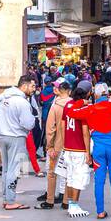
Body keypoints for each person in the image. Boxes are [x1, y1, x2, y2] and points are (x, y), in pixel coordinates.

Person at [0, 73, 39, 210]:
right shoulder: (22, 102)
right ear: (24, 85)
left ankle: (6, 198)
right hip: (16, 137)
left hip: (1, 136)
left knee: (6, 170)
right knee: (14, 170)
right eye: (32, 86)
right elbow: (28, 124)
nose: (33, 89)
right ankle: (11, 201)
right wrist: (33, 119)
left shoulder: (2, 98)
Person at [58, 84, 94, 217]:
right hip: (79, 148)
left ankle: (71, 204)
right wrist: (87, 152)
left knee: (71, 176)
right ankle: (74, 205)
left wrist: (64, 142)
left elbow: (62, 125)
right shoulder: (83, 108)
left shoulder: (67, 106)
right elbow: (85, 132)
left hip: (68, 147)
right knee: (80, 176)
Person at [38, 79, 72, 207]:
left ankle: (50, 200)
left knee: (52, 172)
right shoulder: (73, 104)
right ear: (69, 91)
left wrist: (49, 146)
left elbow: (50, 128)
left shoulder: (56, 106)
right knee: (68, 172)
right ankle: (66, 201)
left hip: (57, 145)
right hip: (71, 145)